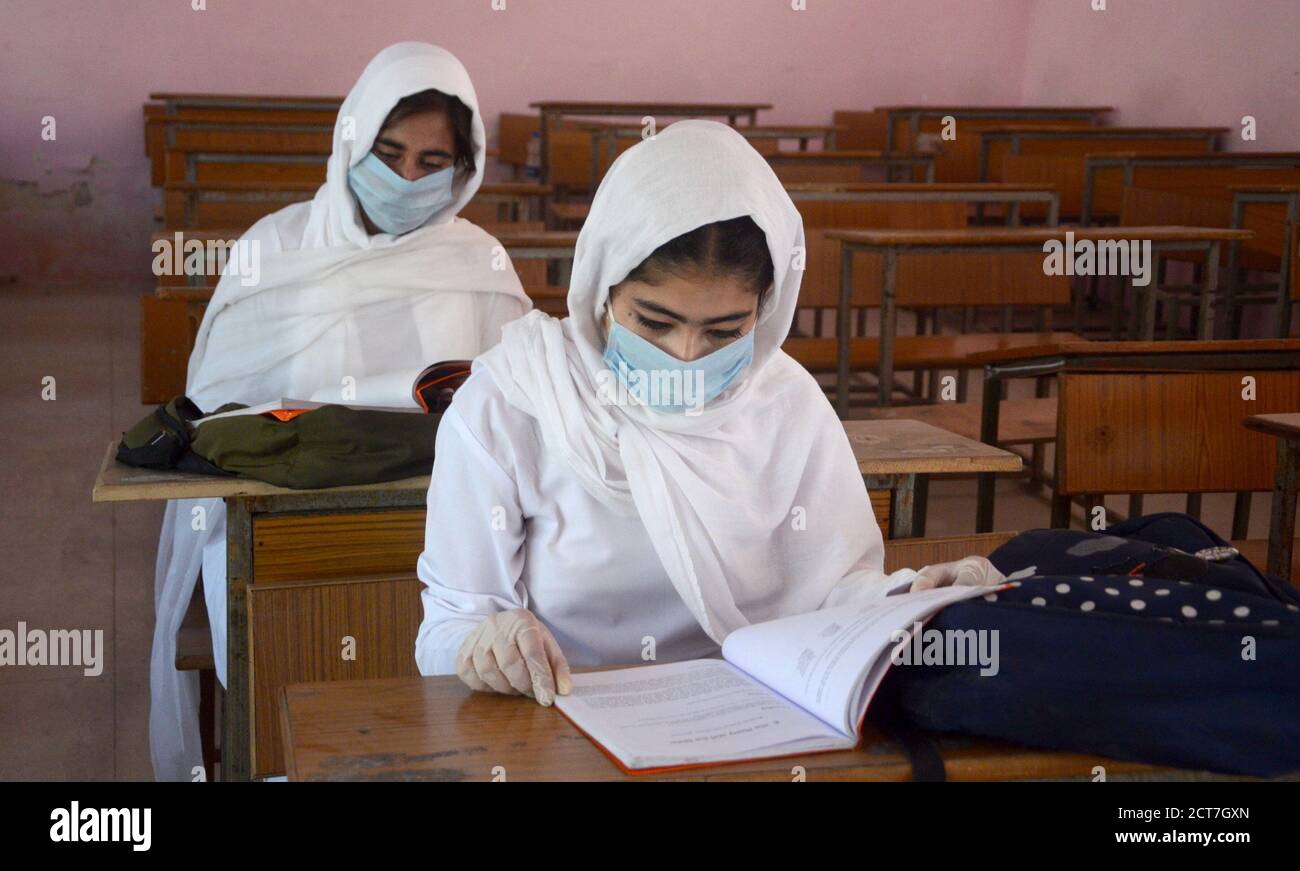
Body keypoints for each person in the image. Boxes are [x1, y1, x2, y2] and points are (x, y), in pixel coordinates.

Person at [414, 120, 1003, 706]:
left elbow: (834, 597)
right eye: (654, 322)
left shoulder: (786, 403)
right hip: (563, 715)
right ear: (602, 287)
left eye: (724, 332)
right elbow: (447, 629)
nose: (686, 356)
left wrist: (918, 594)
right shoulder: (513, 404)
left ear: (764, 314)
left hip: (752, 712)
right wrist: (485, 645)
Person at [149, 42, 531, 781]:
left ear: (464, 166)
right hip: (278, 529)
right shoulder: (278, 249)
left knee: (441, 716)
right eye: (388, 153)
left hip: (443, 532)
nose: (406, 178)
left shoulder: (478, 263)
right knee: (293, 713)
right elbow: (220, 416)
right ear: (351, 139)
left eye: (431, 161)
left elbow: (519, 416)